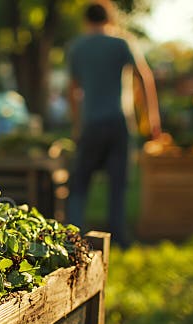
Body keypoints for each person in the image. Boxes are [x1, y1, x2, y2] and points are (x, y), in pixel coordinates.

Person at [65, 0, 161, 249]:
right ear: (110, 19)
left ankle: (74, 235)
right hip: (119, 121)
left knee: (80, 182)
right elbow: (144, 77)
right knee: (117, 183)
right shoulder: (121, 43)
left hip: (91, 123)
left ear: (86, 21)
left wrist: (77, 125)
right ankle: (118, 237)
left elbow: (73, 91)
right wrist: (152, 120)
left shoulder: (77, 47)